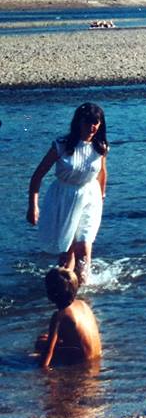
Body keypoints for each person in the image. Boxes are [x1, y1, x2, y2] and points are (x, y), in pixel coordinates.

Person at [27, 103, 108, 287]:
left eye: (96, 123)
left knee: (84, 246)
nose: (92, 127)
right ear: (79, 122)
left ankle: (84, 290)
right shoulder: (61, 146)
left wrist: (101, 196)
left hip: (90, 198)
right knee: (67, 250)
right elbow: (37, 175)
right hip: (63, 197)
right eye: (88, 122)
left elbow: (102, 172)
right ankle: (64, 290)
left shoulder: (100, 147)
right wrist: (33, 206)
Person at [36, 267, 101, 369]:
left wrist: (41, 372)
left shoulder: (60, 316)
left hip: (83, 361)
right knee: (45, 339)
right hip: (96, 355)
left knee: (40, 344)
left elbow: (48, 353)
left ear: (51, 294)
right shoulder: (83, 304)